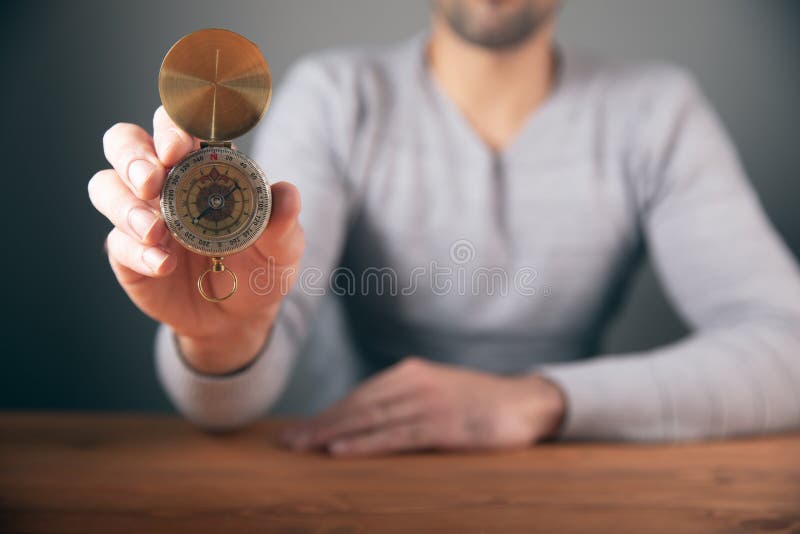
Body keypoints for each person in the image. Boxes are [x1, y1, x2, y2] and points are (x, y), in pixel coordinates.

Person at [88, 0, 800, 456]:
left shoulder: (657, 111)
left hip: (565, 489)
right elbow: (228, 407)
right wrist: (222, 340)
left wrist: (540, 400)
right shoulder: (338, 98)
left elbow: (788, 350)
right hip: (350, 477)